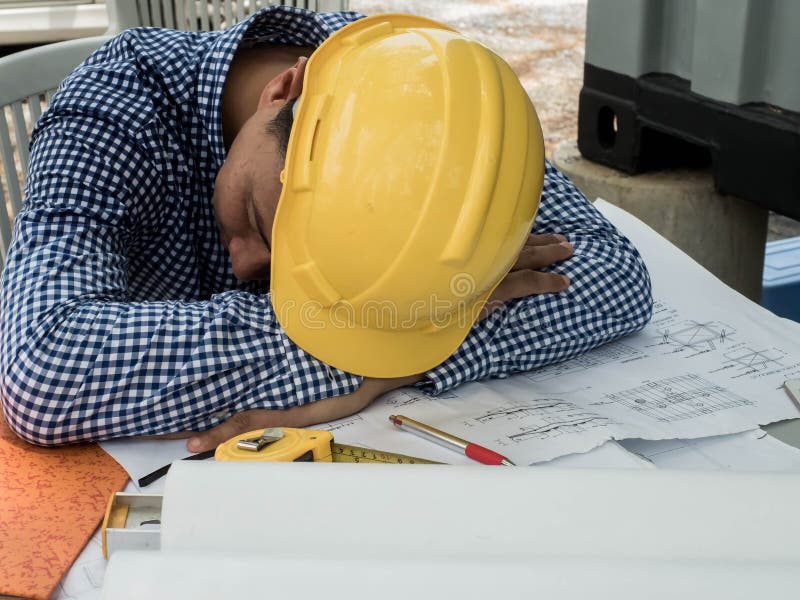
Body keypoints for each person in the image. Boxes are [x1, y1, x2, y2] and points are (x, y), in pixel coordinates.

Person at [0, 6, 652, 452]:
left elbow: (613, 276)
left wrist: (392, 357)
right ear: (282, 92)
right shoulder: (114, 111)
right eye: (255, 216)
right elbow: (41, 370)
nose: (247, 265)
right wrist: (391, 337)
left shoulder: (436, 108)